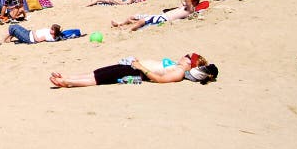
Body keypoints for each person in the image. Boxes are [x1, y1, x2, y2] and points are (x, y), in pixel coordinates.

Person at [49, 53, 218, 88]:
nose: (184, 56)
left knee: (99, 79)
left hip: (135, 72)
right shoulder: (176, 65)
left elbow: (160, 80)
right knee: (97, 73)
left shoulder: (179, 72)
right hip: (132, 66)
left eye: (188, 57)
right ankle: (68, 77)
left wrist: (141, 67)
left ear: (191, 64)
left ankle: (67, 82)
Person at [111, 0, 200, 31]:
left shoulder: (190, 10)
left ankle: (128, 31)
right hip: (160, 16)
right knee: (134, 16)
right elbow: (184, 0)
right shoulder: (184, 7)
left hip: (164, 19)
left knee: (143, 21)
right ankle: (120, 23)